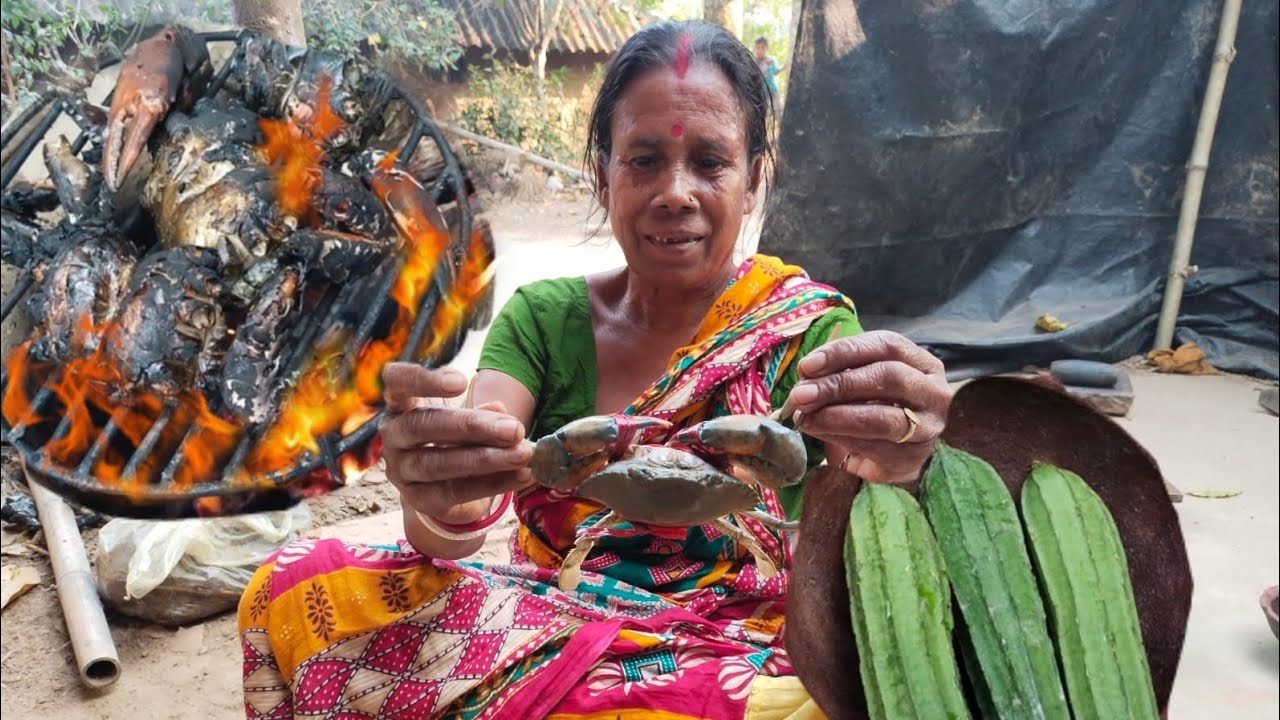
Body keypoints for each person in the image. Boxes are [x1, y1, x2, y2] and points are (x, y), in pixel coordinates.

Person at [238, 19, 951, 720]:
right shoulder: (544, 319)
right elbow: (466, 500)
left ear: (756, 177)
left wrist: (907, 463)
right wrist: (440, 487)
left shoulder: (806, 329)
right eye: (643, 160)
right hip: (556, 622)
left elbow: (873, 550)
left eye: (710, 161)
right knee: (292, 580)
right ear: (602, 174)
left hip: (750, 647)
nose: (676, 191)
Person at [754, 37, 783, 110]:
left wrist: (785, 66)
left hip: (772, 90)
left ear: (766, 49)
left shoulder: (771, 60)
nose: (760, 50)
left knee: (778, 110)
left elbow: (776, 71)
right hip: (760, 92)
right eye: (758, 48)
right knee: (762, 112)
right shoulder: (753, 62)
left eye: (762, 48)